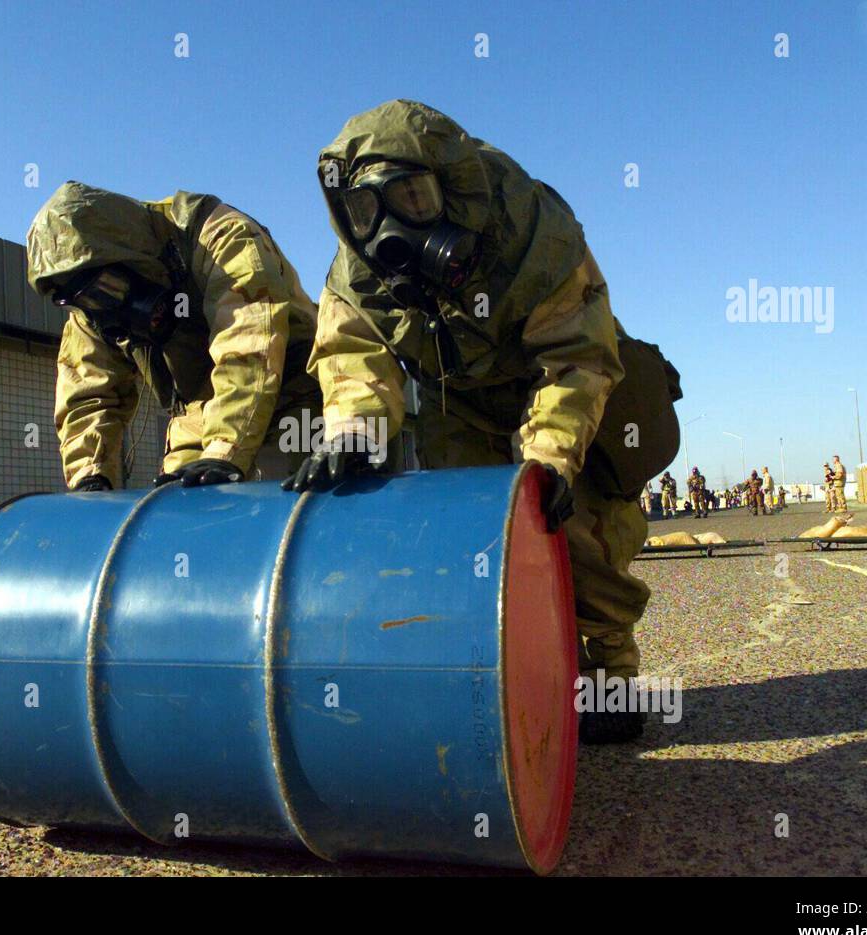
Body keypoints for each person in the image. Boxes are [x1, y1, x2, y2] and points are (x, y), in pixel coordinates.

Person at [284, 100, 683, 743]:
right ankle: (515, 674)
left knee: (580, 528)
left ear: (454, 190)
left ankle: (611, 668)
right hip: (458, 401)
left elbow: (576, 356)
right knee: (470, 536)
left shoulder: (535, 233)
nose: (389, 230)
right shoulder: (356, 277)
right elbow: (351, 355)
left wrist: (550, 457)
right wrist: (356, 429)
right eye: (364, 212)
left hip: (553, 381)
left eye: (411, 198)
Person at [27, 181, 321, 491]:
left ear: (130, 257)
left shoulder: (218, 236)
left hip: (290, 393)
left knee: (264, 506)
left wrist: (224, 452)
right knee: (176, 516)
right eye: (81, 301)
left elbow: (249, 348)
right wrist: (91, 475)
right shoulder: (91, 308)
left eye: (108, 288)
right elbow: (87, 396)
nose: (103, 309)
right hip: (196, 413)